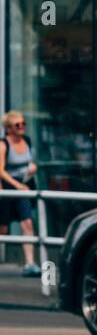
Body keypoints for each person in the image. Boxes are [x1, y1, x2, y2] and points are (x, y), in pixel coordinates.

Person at [0, 111, 40, 277]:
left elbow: (30, 162)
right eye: (18, 125)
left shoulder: (27, 141)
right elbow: (0, 171)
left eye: (23, 123)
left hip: (24, 188)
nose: (22, 127)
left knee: (27, 222)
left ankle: (30, 263)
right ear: (8, 128)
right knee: (3, 227)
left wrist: (32, 169)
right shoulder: (3, 145)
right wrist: (17, 185)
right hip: (8, 189)